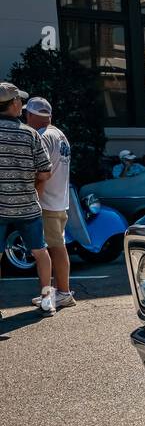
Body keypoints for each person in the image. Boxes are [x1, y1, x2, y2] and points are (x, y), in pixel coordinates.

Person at [0, 82, 55, 316]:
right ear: (14, 104)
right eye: (20, 101)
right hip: (27, 205)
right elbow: (45, 172)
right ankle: (46, 298)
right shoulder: (29, 133)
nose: (21, 104)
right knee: (40, 252)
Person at [23, 97, 74, 310]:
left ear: (32, 115)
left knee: (53, 249)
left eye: (27, 114)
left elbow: (41, 173)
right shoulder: (60, 134)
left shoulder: (42, 137)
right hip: (59, 199)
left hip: (46, 202)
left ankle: (61, 293)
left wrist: (33, 200)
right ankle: (57, 293)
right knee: (56, 247)